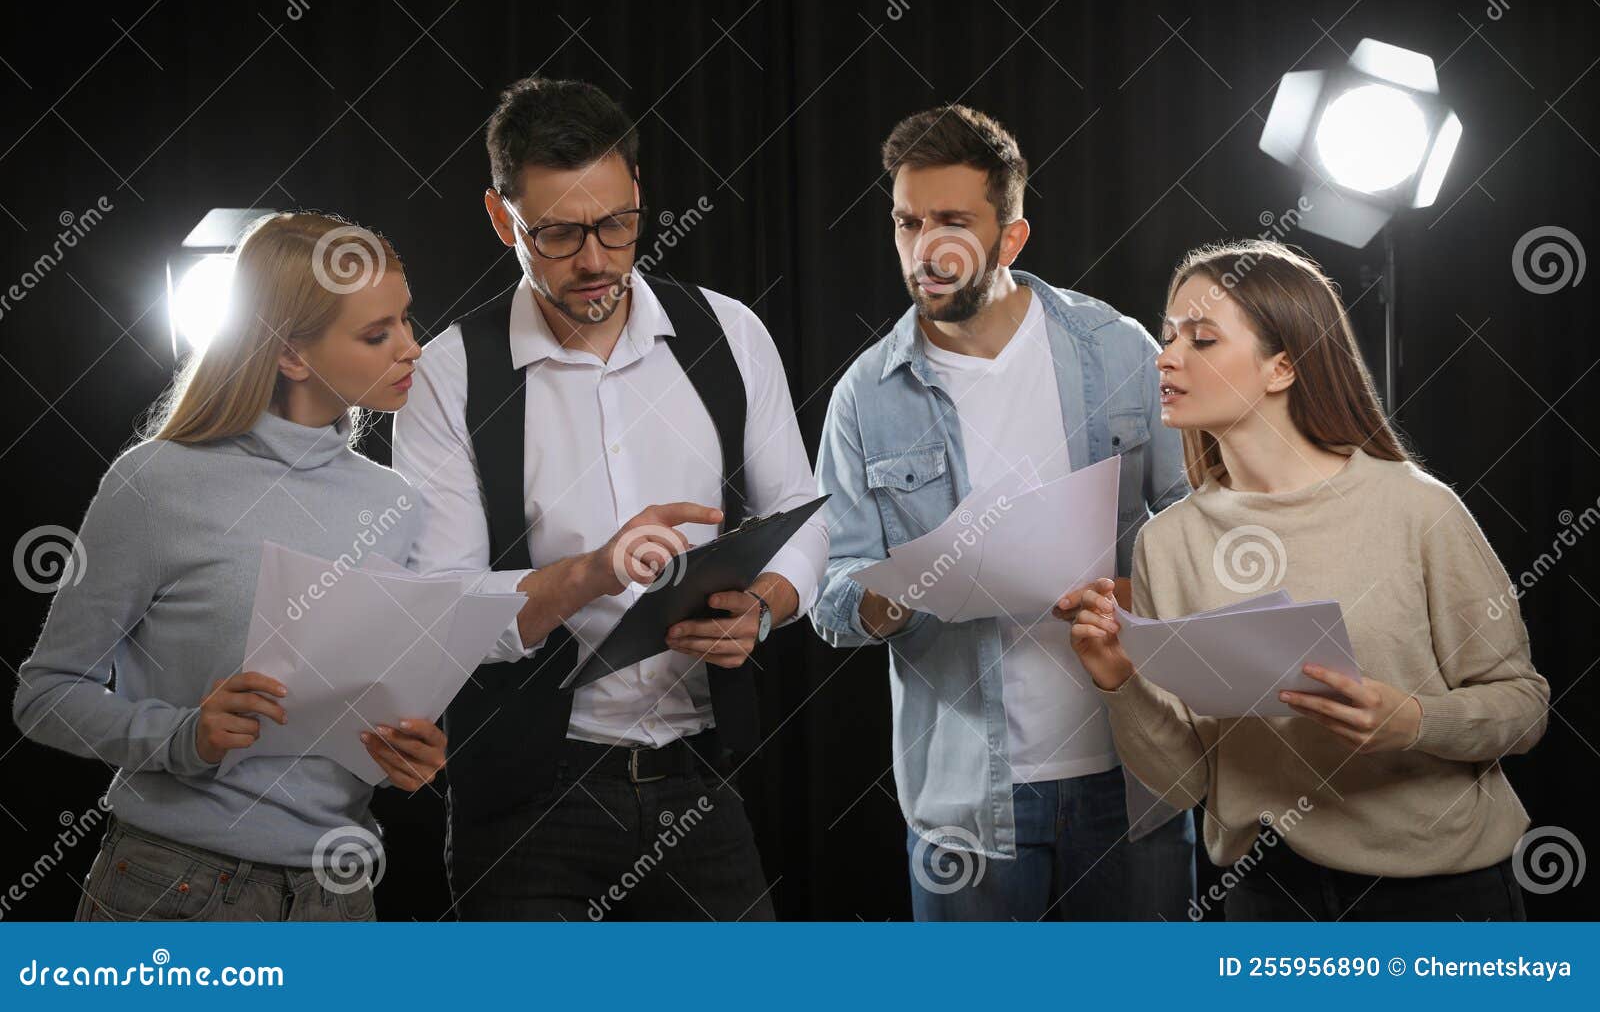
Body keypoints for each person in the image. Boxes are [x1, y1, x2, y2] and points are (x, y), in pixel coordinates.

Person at [392, 75, 828, 921]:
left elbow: (802, 516)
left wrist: (766, 606)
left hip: (699, 779)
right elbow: (440, 611)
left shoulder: (730, 334)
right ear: (500, 219)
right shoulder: (448, 374)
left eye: (616, 224)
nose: (595, 259)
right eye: (557, 233)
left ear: (639, 195)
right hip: (525, 808)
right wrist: (592, 571)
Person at [1068, 240, 1550, 920]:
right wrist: (1118, 678)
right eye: (1170, 333)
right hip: (1270, 898)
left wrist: (1411, 720)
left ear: (1283, 366)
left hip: (1442, 898)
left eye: (1201, 338)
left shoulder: (1417, 508)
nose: (1167, 356)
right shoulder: (1166, 542)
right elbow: (1184, 782)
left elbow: (1523, 707)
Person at [812, 103, 1195, 921]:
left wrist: (1139, 594)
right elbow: (831, 595)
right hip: (967, 804)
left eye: (953, 221)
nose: (926, 248)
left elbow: (1201, 522)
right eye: (908, 221)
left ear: (1010, 237)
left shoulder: (1117, 349)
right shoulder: (863, 397)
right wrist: (903, 590)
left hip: (1134, 778)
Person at [12, 212, 448, 921]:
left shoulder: (396, 503)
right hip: (173, 888)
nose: (412, 349)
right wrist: (187, 736)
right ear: (292, 356)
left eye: (405, 320)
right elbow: (45, 695)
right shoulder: (156, 482)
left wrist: (408, 754)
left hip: (338, 898)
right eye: (378, 334)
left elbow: (367, 709)